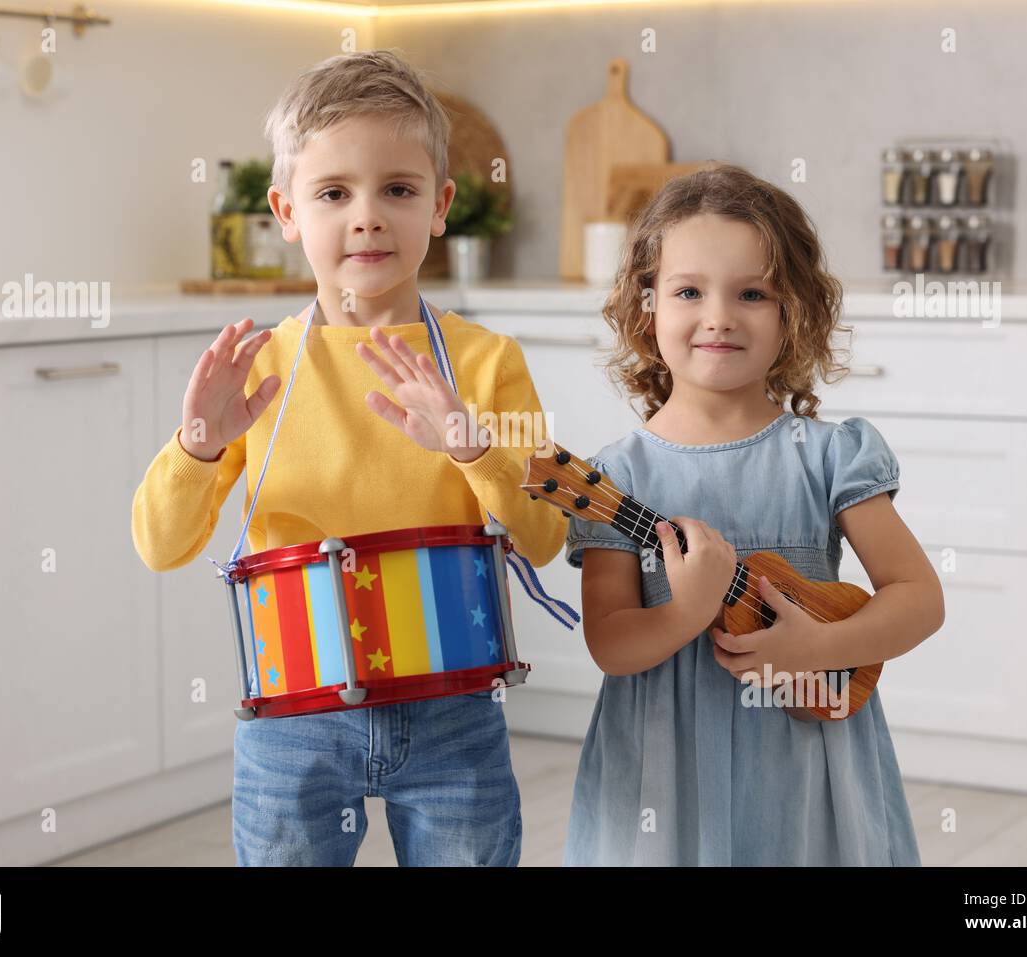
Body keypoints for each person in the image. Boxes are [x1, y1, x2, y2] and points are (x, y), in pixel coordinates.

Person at [132, 50, 568, 866]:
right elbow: (161, 545)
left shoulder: (485, 363)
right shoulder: (257, 368)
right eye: (333, 193)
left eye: (397, 189)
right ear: (286, 211)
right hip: (293, 715)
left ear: (440, 205)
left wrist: (471, 447)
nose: (367, 217)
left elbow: (545, 538)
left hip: (453, 707)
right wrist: (199, 443)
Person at [563, 164, 944, 865]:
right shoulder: (614, 479)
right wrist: (686, 611)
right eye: (688, 291)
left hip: (807, 765)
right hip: (664, 771)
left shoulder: (829, 455)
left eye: (752, 293)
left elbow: (919, 597)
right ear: (647, 309)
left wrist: (817, 649)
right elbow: (610, 644)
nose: (719, 316)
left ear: (793, 313)